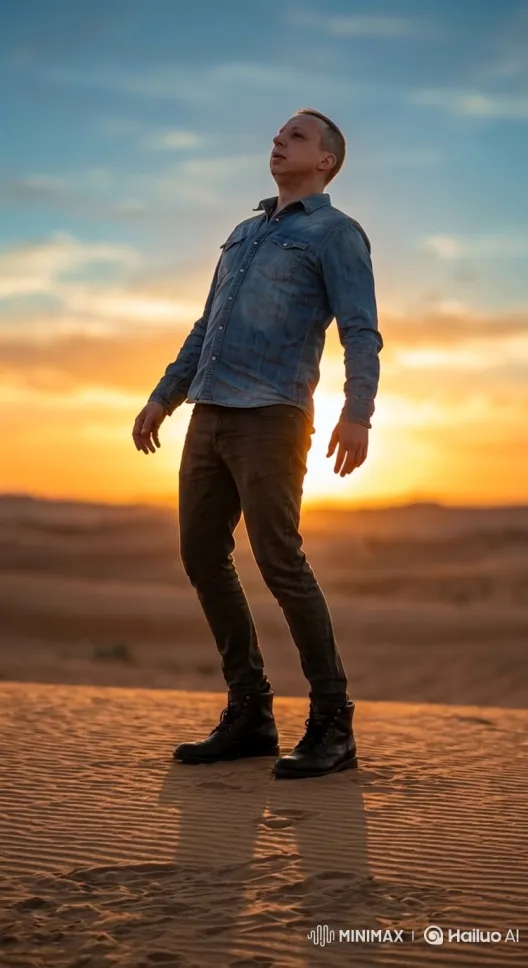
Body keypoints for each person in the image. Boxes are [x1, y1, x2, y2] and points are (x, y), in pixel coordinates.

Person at [132, 107, 383, 779]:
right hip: (208, 412)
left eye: (296, 136)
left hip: (273, 414)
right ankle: (250, 713)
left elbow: (361, 329)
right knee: (200, 555)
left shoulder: (335, 234)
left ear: (326, 160)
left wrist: (357, 412)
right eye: (277, 135)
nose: (278, 141)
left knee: (280, 560)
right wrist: (165, 395)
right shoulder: (243, 234)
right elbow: (205, 323)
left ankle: (333, 722)